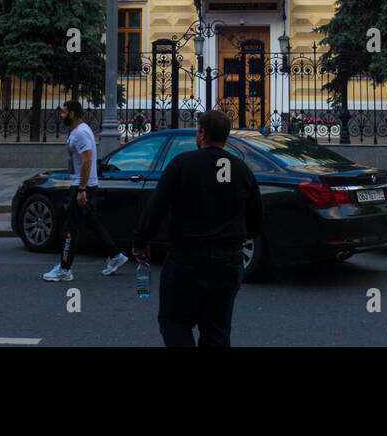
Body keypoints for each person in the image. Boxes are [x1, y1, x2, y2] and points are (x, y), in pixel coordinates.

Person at [132, 109, 262, 347]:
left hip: (186, 259)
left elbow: (156, 207)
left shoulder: (182, 164)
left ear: (202, 134)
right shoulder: (242, 170)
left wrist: (140, 242)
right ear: (226, 136)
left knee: (174, 322)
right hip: (227, 260)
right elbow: (255, 221)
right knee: (217, 331)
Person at [43, 100, 127, 282]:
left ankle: (64, 268)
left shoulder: (80, 133)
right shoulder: (79, 130)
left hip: (83, 187)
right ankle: (115, 255)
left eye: (64, 112)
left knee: (70, 228)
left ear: (72, 113)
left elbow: (87, 161)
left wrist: (81, 189)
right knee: (92, 223)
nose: (61, 115)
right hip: (85, 185)